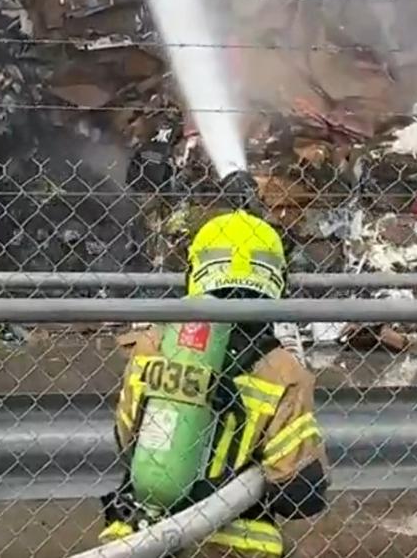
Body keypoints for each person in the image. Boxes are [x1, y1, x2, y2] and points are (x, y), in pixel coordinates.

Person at [99, 209, 330, 556]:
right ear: (277, 278)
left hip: (138, 539)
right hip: (235, 546)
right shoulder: (282, 370)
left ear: (194, 272)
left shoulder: (149, 345)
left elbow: (126, 439)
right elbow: (300, 493)